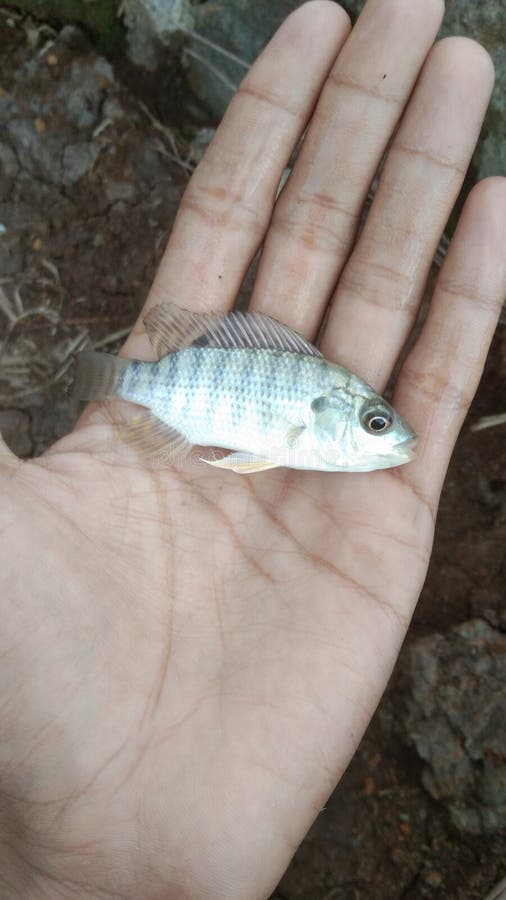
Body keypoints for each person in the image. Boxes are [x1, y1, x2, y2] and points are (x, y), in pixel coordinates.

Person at [1, 1, 505, 897]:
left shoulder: (321, 424)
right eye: (377, 425)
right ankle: (109, 381)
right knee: (135, 383)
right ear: (342, 418)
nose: (391, 438)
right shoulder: (306, 415)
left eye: (379, 425)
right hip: (176, 400)